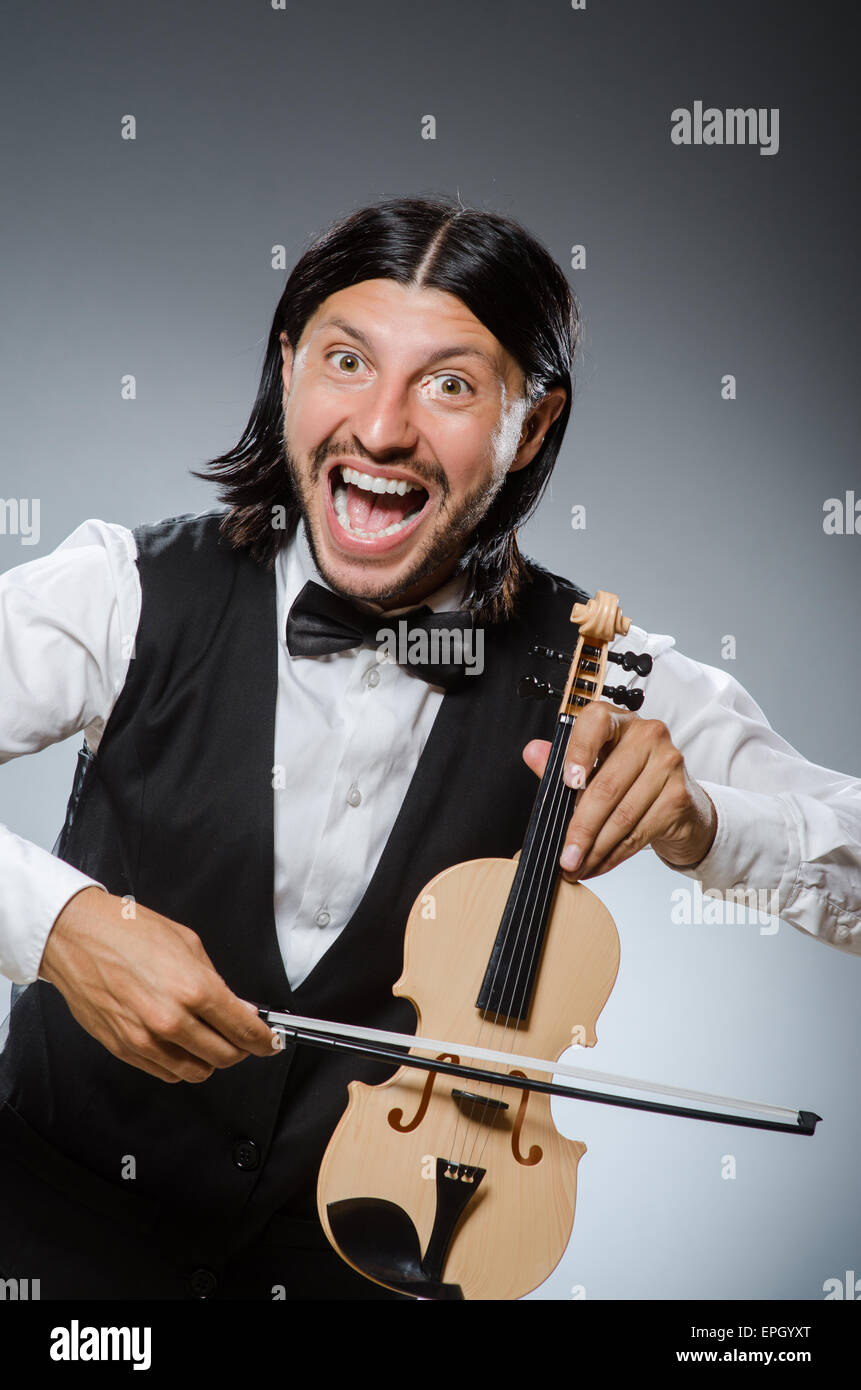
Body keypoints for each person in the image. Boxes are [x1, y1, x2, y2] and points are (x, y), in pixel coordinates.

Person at [0, 195, 859, 1301]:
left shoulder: (606, 672)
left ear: (532, 426)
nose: (382, 427)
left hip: (384, 1259)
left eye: (450, 384)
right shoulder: (121, 591)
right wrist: (57, 923)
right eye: (345, 361)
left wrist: (708, 825)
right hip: (43, 1235)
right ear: (287, 368)